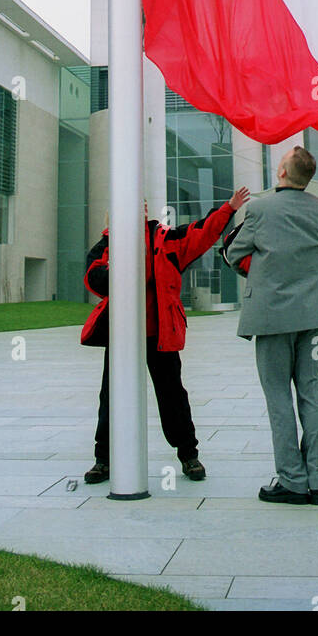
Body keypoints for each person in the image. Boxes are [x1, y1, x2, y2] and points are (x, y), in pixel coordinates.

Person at [81, 187, 250, 484]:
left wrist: (228, 208)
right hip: (122, 338)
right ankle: (103, 460)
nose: (139, 210)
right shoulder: (107, 245)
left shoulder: (167, 238)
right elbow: (95, 278)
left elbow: (202, 232)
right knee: (111, 397)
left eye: (142, 206)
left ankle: (188, 454)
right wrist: (122, 271)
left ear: (146, 210)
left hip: (160, 334)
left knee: (172, 396)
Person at [225, 145, 318, 505]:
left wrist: (267, 271)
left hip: (272, 319)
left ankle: (292, 481)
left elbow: (234, 253)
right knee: (312, 394)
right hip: (315, 319)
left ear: (283, 173)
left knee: (278, 396)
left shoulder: (258, 209)